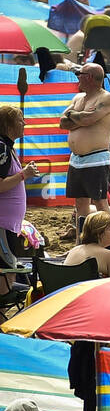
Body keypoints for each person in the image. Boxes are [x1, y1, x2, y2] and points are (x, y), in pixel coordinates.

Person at [59, 63, 110, 230]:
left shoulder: (105, 98)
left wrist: (73, 116)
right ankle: (81, 242)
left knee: (100, 201)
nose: (77, 77)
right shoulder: (78, 98)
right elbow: (63, 122)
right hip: (76, 159)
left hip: (96, 158)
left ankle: (108, 236)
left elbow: (87, 120)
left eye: (79, 74)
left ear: (89, 77)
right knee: (80, 203)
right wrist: (81, 118)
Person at [0, 105, 37, 290]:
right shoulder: (2, 148)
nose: (24, 123)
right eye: (21, 120)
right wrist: (23, 174)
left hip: (9, 225)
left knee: (10, 271)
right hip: (3, 225)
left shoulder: (7, 147)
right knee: (5, 276)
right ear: (8, 125)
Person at [62, 210, 110, 278]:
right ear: (99, 233)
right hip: (90, 287)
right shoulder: (109, 255)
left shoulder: (74, 250)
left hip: (69, 287)